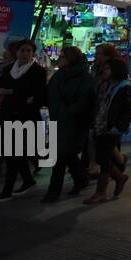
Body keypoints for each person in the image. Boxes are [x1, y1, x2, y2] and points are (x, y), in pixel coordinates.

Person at [0, 40, 49, 202]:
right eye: (22, 50)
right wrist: (14, 93)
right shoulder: (9, 69)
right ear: (16, 52)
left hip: (25, 117)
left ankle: (7, 190)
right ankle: (27, 181)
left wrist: (11, 92)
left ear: (33, 53)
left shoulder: (37, 71)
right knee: (13, 153)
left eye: (28, 51)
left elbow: (39, 96)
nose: (25, 53)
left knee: (14, 153)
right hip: (8, 115)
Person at [41, 47, 95, 202]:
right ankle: (81, 179)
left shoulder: (84, 77)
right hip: (58, 119)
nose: (60, 59)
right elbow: (50, 94)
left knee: (60, 155)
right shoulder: (59, 75)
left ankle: (54, 190)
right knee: (67, 154)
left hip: (74, 122)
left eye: (63, 56)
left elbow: (84, 101)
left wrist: (69, 112)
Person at [84, 58, 131, 203]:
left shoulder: (125, 87)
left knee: (103, 159)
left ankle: (101, 192)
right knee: (101, 157)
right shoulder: (104, 85)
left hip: (112, 128)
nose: (104, 71)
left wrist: (119, 127)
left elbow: (129, 110)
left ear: (115, 71)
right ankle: (120, 178)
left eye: (107, 69)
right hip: (100, 125)